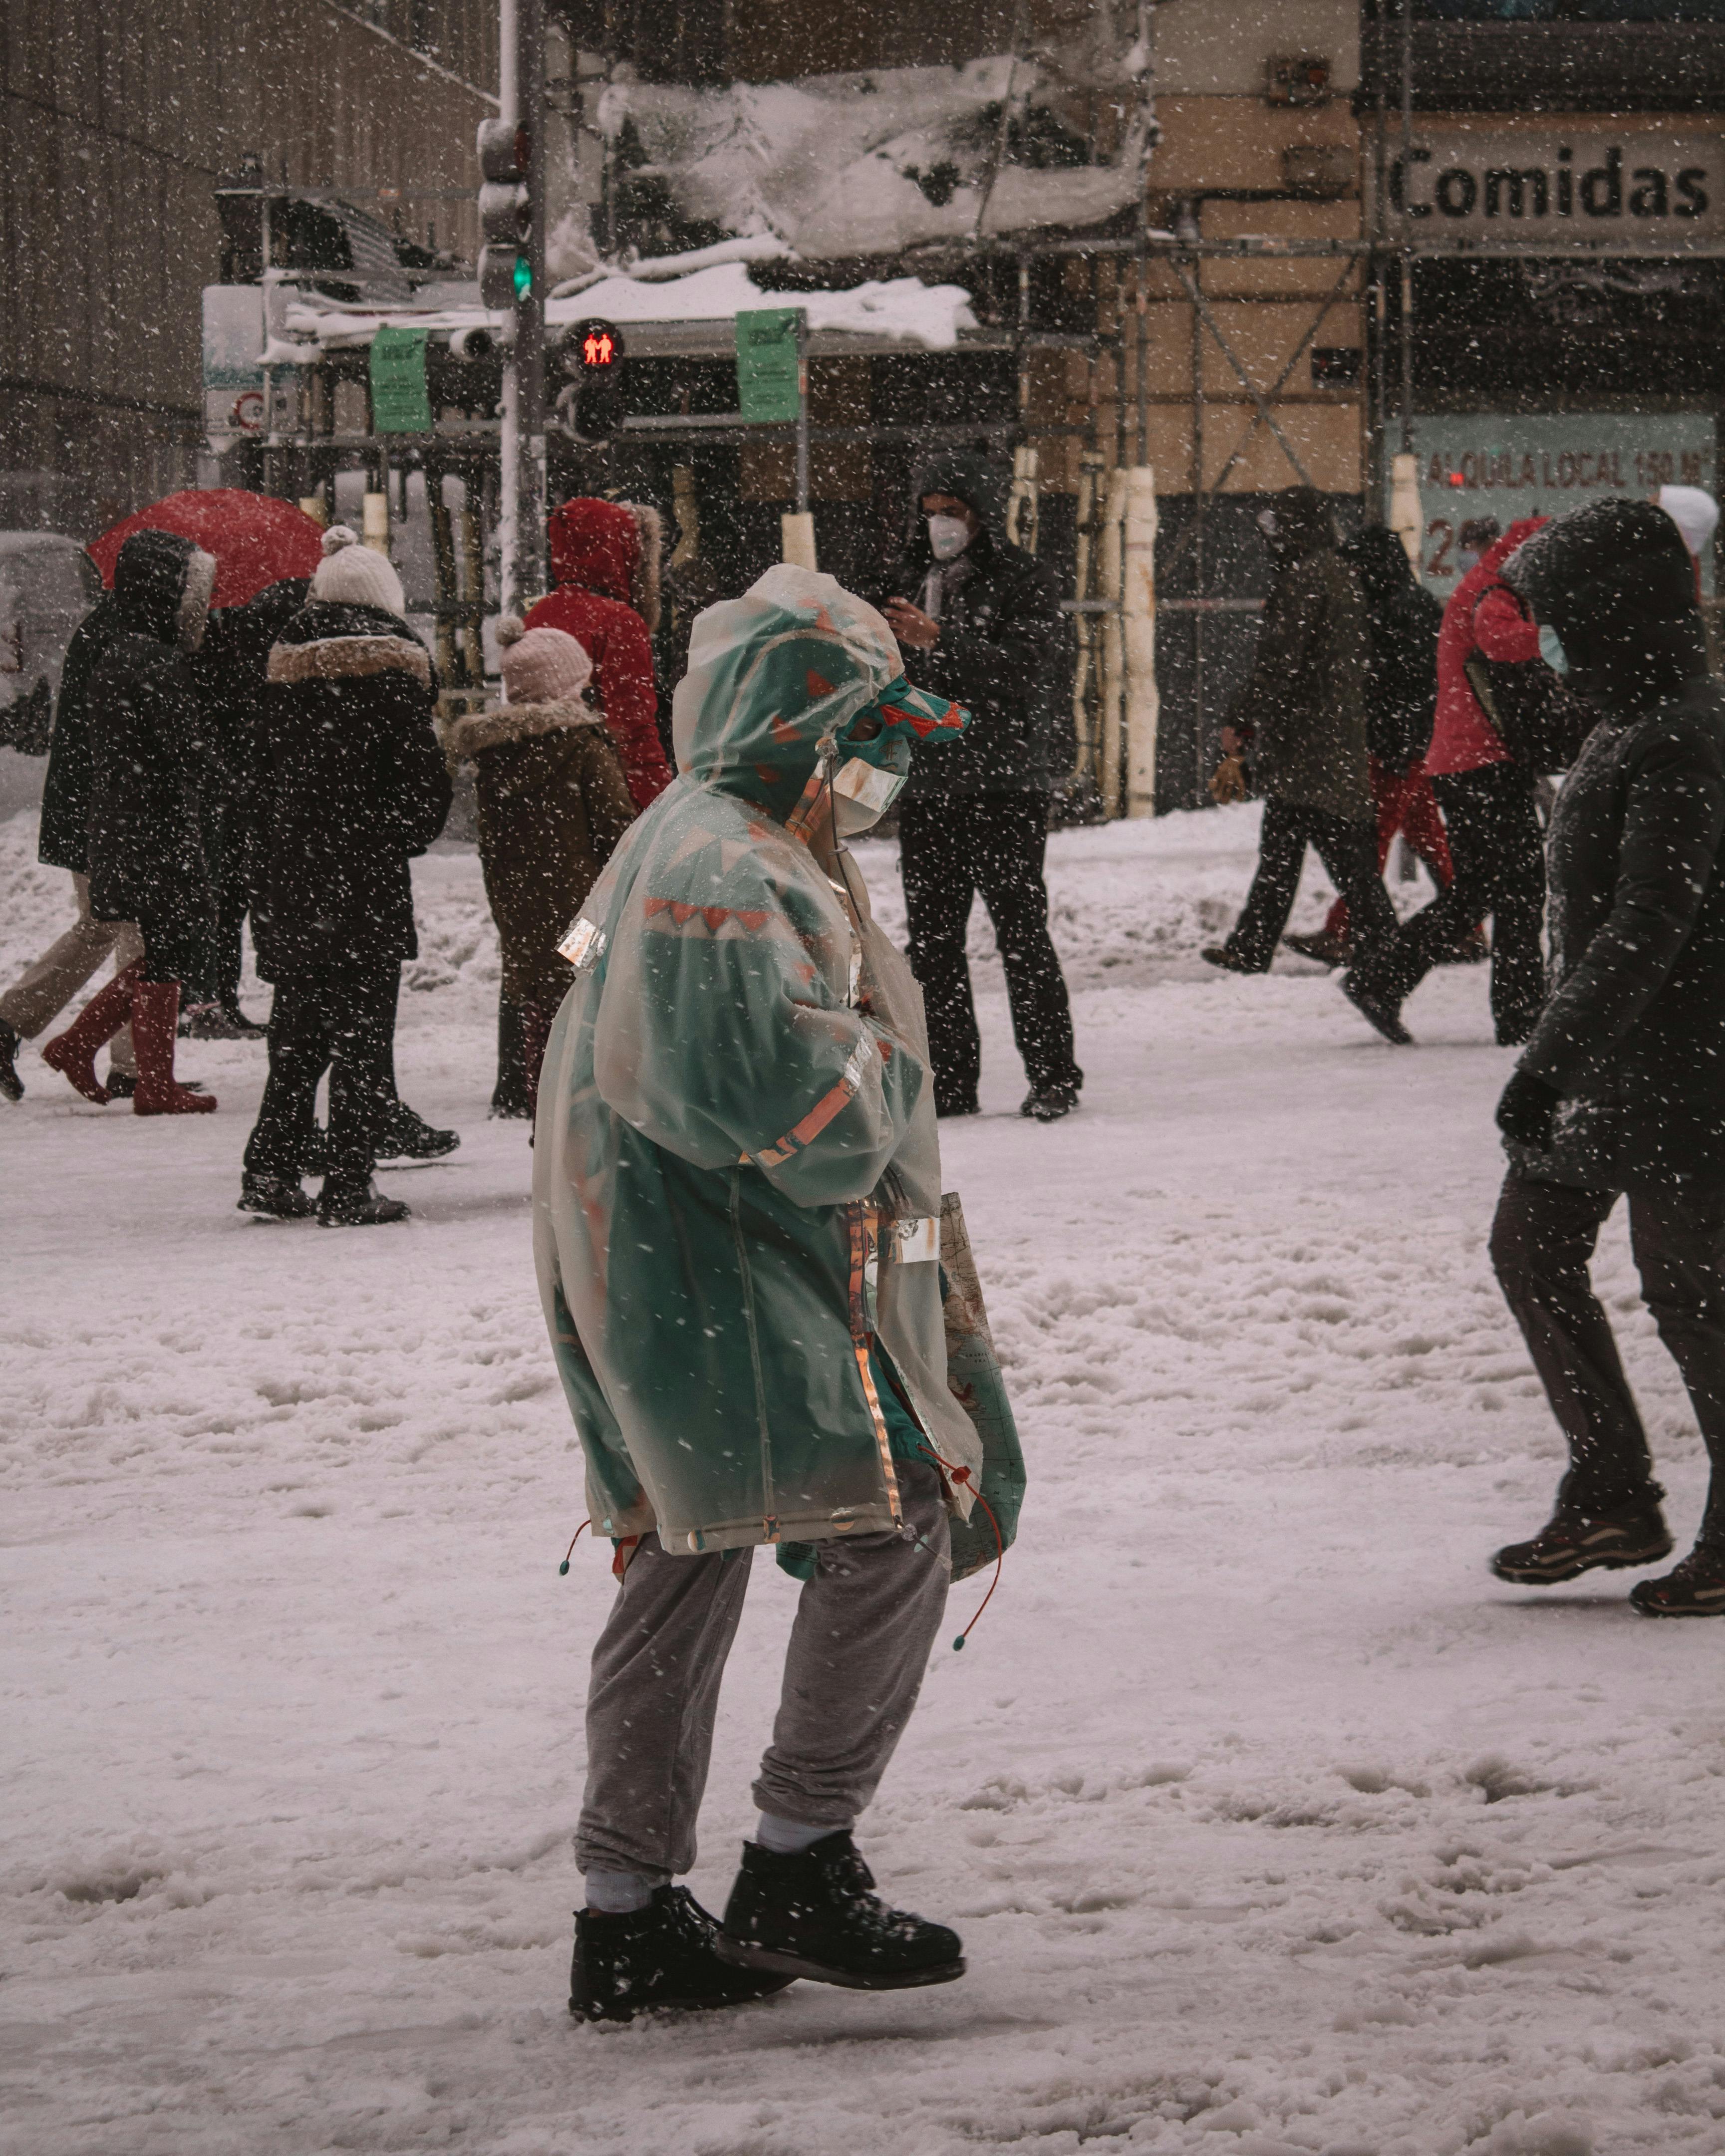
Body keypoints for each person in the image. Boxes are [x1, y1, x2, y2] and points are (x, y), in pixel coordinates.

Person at [536, 564, 989, 2022]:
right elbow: (787, 1102)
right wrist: (896, 1083)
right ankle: (799, 1857)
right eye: (871, 723)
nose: (889, 759)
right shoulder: (727, 869)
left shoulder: (718, 836)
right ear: (804, 721)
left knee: (687, 1554)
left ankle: (629, 1913)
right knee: (902, 1515)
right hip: (720, 1280)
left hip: (675, 1265)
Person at [1485, 497, 1725, 1619]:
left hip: (1686, 1074)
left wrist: (1546, 1061)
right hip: (1607, 1072)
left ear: (1615, 619)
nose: (1548, 643)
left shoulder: (1686, 733)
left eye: (1561, 621)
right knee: (1532, 1249)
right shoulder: (1623, 725)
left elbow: (1646, 927)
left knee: (1694, 1300)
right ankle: (1614, 1486)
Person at [239, 527, 451, 1226]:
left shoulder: (278, 677)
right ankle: (350, 1184)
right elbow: (423, 801)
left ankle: (271, 1167)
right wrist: (384, 834)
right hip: (362, 883)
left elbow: (253, 786)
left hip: (289, 879)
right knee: (362, 1034)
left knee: (298, 1031)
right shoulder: (393, 682)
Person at [881, 450, 1083, 1121]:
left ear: (980, 517)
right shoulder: (907, 578)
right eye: (930, 511)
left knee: (1021, 934)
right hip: (932, 786)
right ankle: (951, 1079)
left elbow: (1026, 669)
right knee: (933, 945)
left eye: (953, 512)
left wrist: (943, 639)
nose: (939, 524)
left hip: (1004, 784)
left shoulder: (1020, 578)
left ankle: (1053, 1074)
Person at [1342, 517, 1554, 1047]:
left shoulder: (1491, 582)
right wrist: (1563, 635)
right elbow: (1502, 642)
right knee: (1522, 889)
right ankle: (1519, 1013)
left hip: (1465, 763)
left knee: (1479, 889)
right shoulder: (1495, 592)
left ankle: (1380, 980)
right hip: (1481, 762)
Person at [1199, 489, 1401, 1022]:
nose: (1270, 536)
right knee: (1301, 851)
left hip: (1311, 744)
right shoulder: (1338, 575)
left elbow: (1279, 662)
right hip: (1331, 740)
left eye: (1277, 525)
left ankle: (1387, 952)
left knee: (1336, 860)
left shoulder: (1305, 580)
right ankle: (1256, 945)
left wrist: (1241, 720)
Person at [38, 530, 219, 1115]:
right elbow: (182, 750)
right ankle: (133, 1072)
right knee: (171, 941)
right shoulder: (150, 657)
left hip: (124, 821)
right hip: (153, 823)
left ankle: (104, 1056)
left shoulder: (118, 647)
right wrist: (228, 772)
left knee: (164, 942)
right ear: (165, 590)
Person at [446, 618, 634, 1119]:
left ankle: (541, 1103)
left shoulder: (496, 757)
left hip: (522, 909)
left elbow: (494, 843)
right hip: (587, 911)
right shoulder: (584, 748)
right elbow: (618, 828)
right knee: (587, 1001)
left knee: (540, 1009)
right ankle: (583, 1112)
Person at [1285, 525, 1457, 969]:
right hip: (1410, 741)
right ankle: (1466, 928)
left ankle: (1343, 930)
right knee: (1426, 837)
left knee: (1371, 838)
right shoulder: (1409, 604)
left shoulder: (1395, 610)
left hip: (1397, 743)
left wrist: (1396, 742)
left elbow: (1405, 684)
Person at [0, 582, 142, 1102]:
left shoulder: (101, 631)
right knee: (134, 928)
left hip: (90, 808)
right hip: (110, 813)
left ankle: (12, 1022)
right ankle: (134, 1064)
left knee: (106, 925)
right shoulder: (129, 640)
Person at [523, 497, 672, 812]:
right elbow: (633, 731)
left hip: (543, 792)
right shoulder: (619, 622)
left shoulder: (538, 614)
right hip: (604, 796)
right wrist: (659, 808)